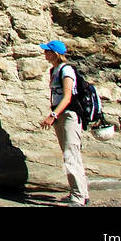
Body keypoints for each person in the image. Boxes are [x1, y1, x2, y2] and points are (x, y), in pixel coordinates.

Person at [38, 40, 89, 206]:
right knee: (71, 154)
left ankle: (78, 197)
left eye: (47, 51)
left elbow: (68, 97)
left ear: (55, 53)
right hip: (61, 116)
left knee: (71, 155)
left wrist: (53, 115)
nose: (45, 53)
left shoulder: (66, 70)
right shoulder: (54, 70)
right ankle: (81, 193)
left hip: (69, 116)